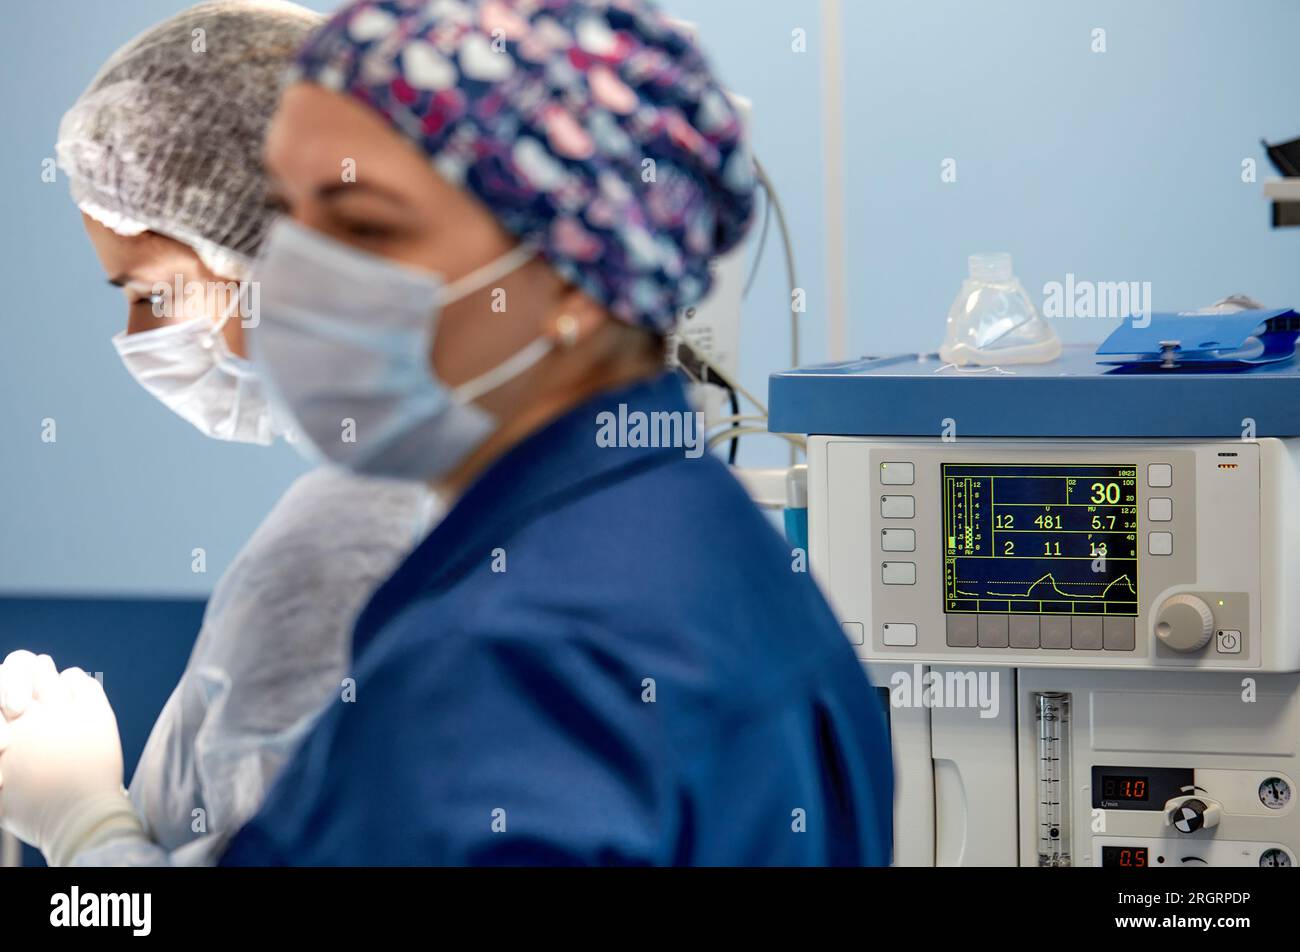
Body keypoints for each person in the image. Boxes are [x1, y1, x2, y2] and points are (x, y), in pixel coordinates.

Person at [12, 0, 895, 865]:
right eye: (283, 219)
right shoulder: (717, 551)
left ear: (572, 282)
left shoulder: (510, 667)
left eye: (363, 226)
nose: (270, 297)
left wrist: (88, 838)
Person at [0, 1, 436, 866]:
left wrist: (84, 825)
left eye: (153, 293)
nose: (137, 339)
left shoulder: (352, 540)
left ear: (266, 260)